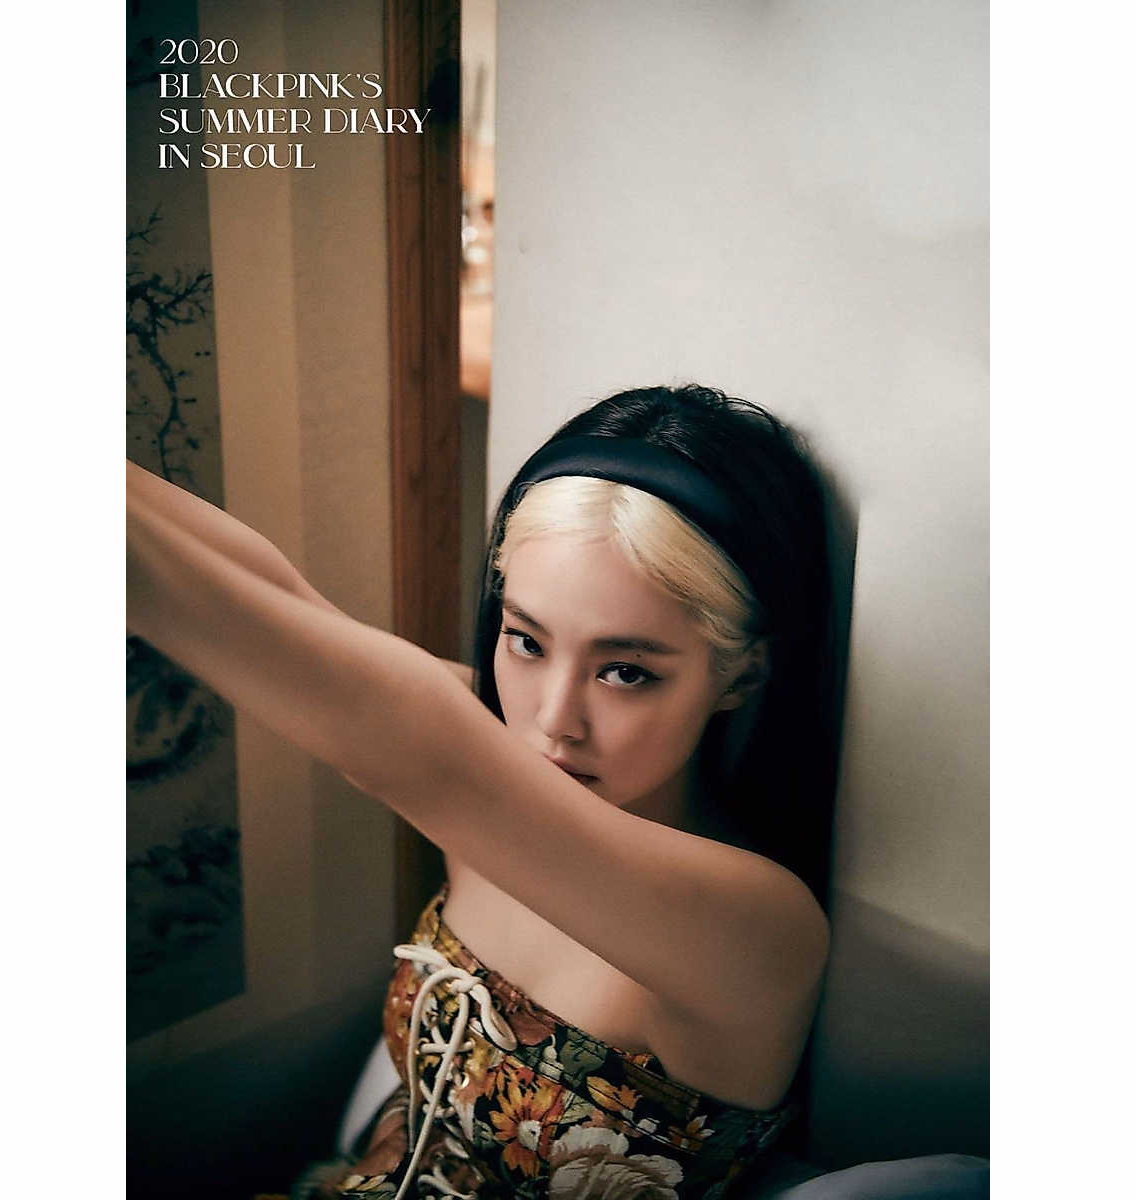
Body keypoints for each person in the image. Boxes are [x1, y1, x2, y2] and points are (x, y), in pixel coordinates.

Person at [126, 384, 844, 1199]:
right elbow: (283, 599)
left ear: (741, 674)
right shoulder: (499, 756)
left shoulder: (759, 928)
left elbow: (401, 740)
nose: (551, 721)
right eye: (527, 642)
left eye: (625, 671)